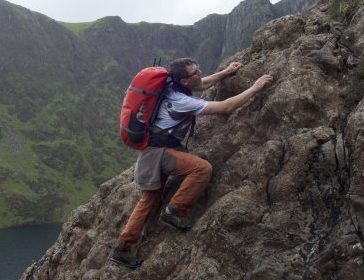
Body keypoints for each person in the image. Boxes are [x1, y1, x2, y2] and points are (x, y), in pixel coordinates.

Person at [109, 57, 273, 269]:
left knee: (149, 200)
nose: (200, 73)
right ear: (184, 82)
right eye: (195, 72)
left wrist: (225, 72)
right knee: (202, 169)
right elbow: (225, 107)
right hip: (159, 153)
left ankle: (121, 248)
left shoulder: (172, 87)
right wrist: (255, 88)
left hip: (152, 152)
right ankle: (174, 211)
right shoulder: (180, 101)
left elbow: (203, 83)